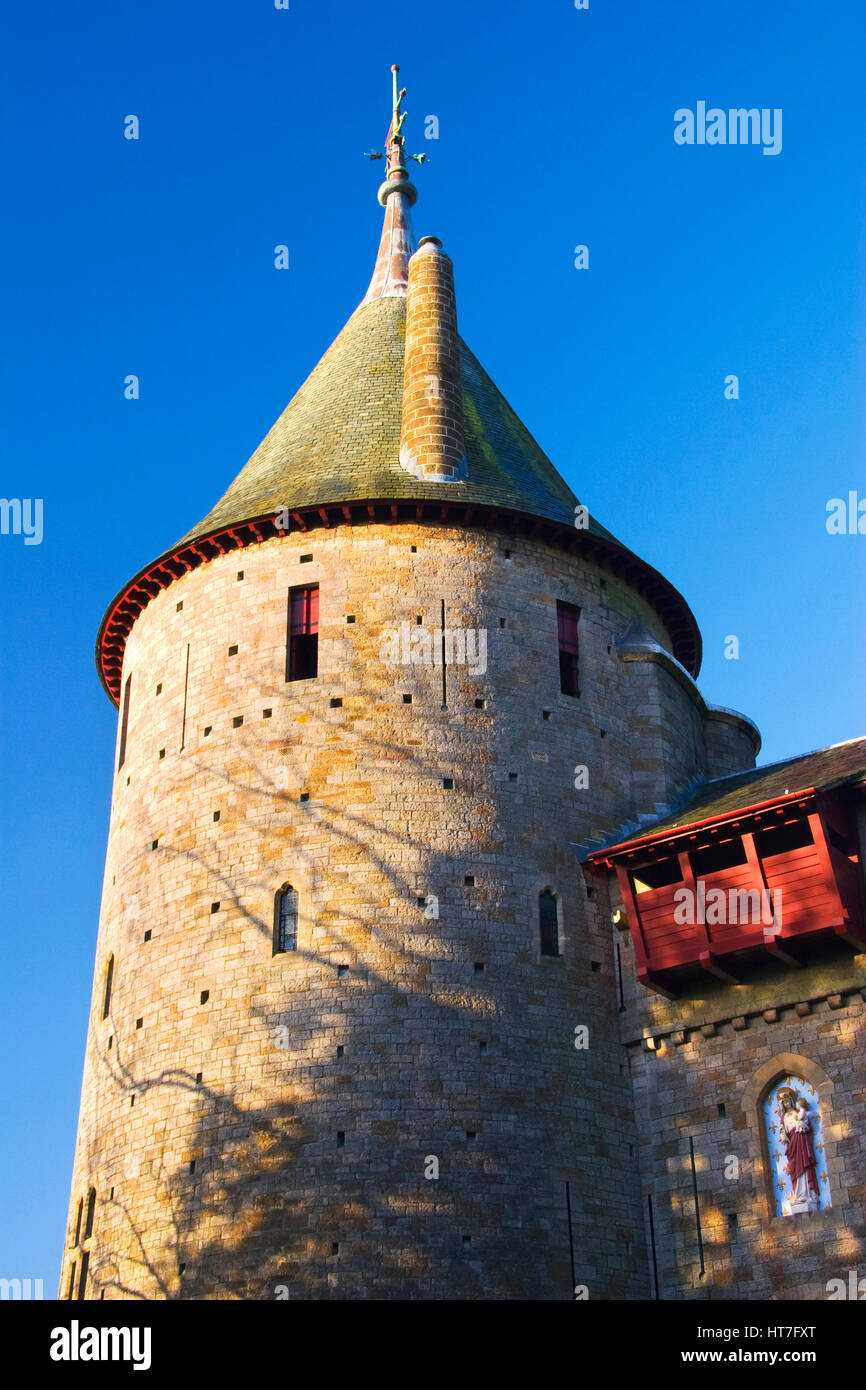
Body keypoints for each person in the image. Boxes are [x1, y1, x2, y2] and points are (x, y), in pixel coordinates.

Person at [777, 1086, 819, 1210]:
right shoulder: (783, 1117)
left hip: (800, 1139)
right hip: (792, 1144)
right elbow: (782, 1130)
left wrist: (801, 1124)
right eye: (784, 1102)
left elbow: (805, 1123)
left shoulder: (797, 1112)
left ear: (792, 1100)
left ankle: (809, 1194)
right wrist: (783, 1134)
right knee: (795, 1167)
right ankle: (798, 1194)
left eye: (788, 1100)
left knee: (804, 1164)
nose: (787, 1103)